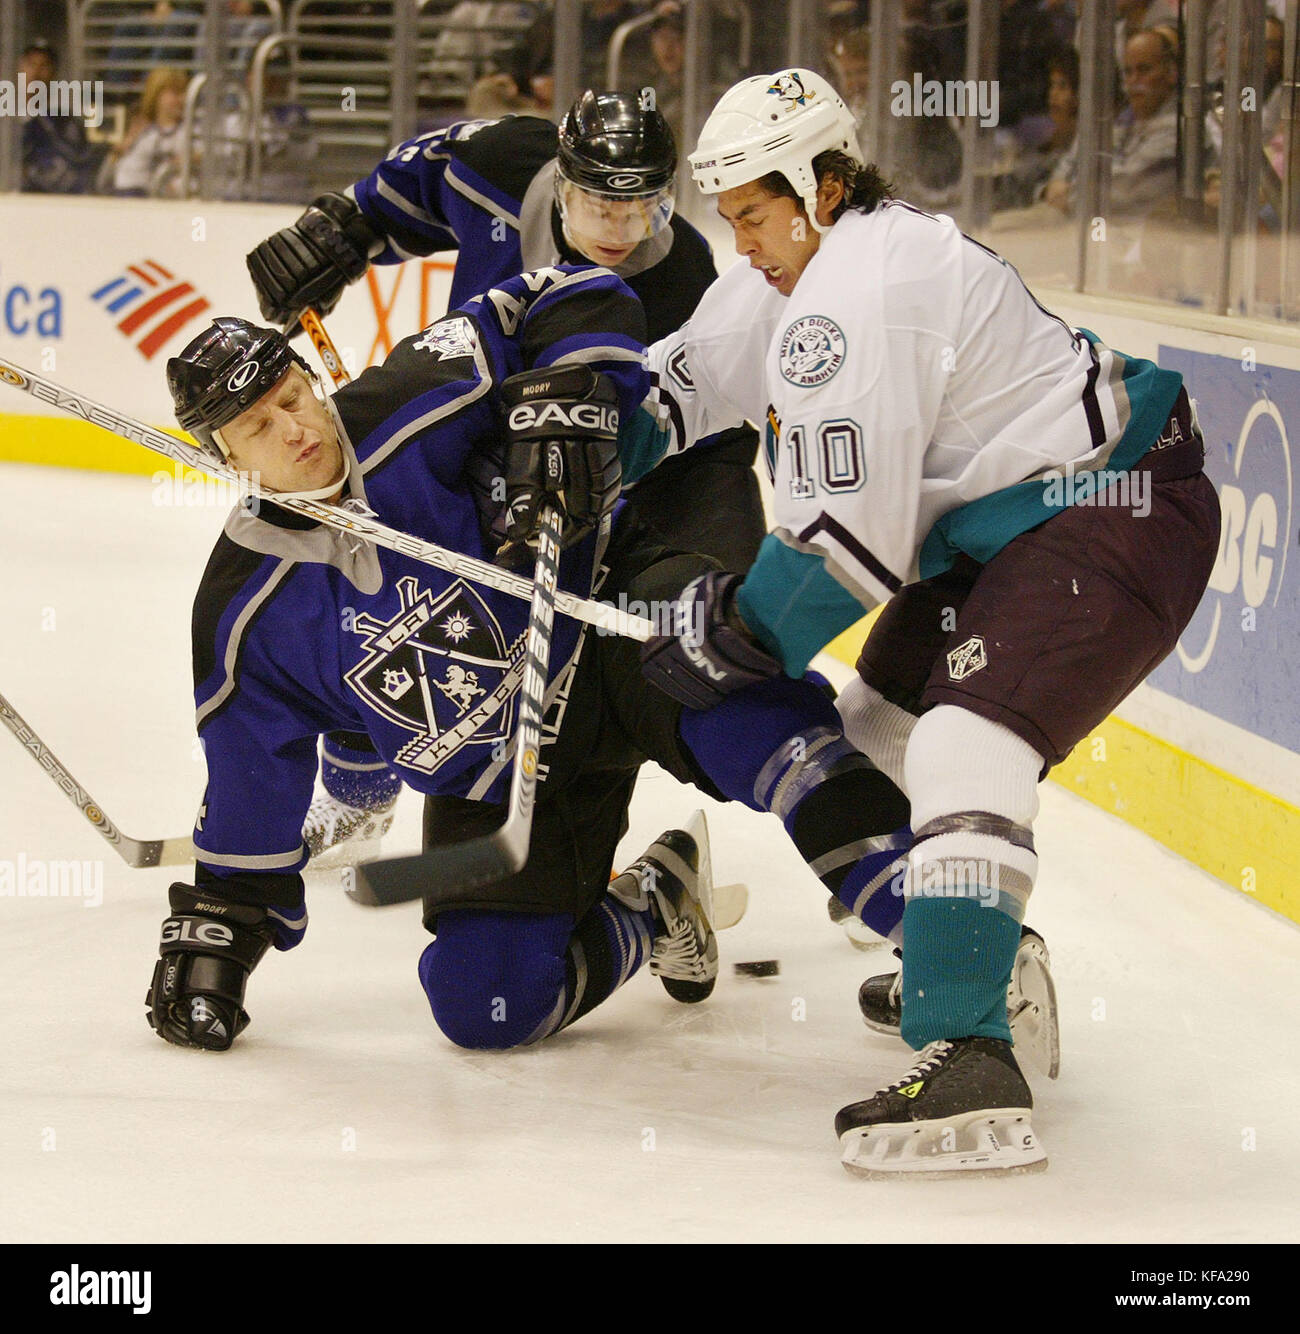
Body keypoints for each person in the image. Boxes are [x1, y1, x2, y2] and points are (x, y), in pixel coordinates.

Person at [629, 68, 1220, 1174]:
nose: (742, 239)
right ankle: (987, 961)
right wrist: (579, 441)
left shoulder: (866, 289)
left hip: (1116, 503)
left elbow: (840, 556)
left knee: (964, 740)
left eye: (753, 213)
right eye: (731, 218)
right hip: (999, 528)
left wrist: (727, 632)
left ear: (822, 185)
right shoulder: (803, 265)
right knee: (877, 730)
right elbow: (689, 383)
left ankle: (967, 1044)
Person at [145, 270, 925, 1090]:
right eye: (257, 426)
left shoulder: (414, 397)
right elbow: (249, 774)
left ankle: (949, 943)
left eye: (293, 396)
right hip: (502, 779)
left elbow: (567, 290)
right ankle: (660, 895)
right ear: (221, 456)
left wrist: (568, 395)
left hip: (608, 625)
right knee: (486, 1005)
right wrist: (222, 932)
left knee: (752, 723)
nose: (294, 429)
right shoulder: (243, 614)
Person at [246, 89, 765, 860]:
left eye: (643, 207)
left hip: (606, 467)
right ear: (562, 181)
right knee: (368, 570)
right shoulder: (501, 162)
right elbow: (419, 178)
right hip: (474, 428)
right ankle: (359, 791)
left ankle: (652, 843)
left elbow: (665, 434)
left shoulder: (683, 277)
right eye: (598, 207)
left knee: (603, 649)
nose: (621, 232)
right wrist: (345, 231)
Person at [18, 41, 103, 194]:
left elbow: (82, 164)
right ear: (19, 69)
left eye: (44, 66)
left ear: (53, 74)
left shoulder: (65, 123)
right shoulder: (6, 121)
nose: (36, 73)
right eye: (30, 64)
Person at [110, 66, 189, 197]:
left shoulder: (188, 131)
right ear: (157, 94)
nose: (182, 99)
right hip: (128, 192)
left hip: (161, 196)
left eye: (183, 92)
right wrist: (122, 147)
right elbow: (114, 170)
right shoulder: (141, 128)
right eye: (175, 93)